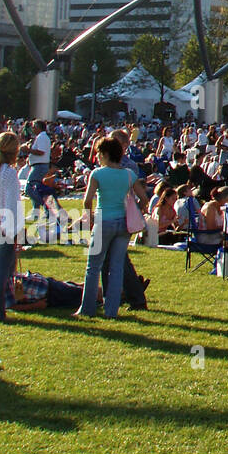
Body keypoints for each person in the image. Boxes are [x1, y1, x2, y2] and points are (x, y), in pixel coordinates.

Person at [74, 136, 147, 320]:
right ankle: (111, 310)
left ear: (105, 154)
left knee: (93, 267)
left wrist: (89, 217)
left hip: (103, 221)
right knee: (116, 269)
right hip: (123, 224)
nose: (98, 157)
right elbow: (144, 198)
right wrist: (136, 211)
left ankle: (87, 309)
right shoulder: (129, 174)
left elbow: (87, 200)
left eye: (99, 153)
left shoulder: (97, 174)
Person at [0, 132, 23, 327]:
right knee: (2, 271)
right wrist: (14, 231)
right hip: (3, 227)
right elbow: (12, 205)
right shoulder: (8, 172)